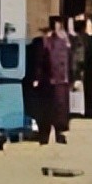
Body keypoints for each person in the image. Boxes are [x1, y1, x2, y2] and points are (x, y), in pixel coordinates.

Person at [33, 16, 73, 144]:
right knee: (48, 108)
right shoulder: (47, 42)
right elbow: (41, 61)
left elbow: (70, 61)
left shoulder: (65, 42)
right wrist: (38, 77)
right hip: (50, 79)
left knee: (60, 109)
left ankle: (59, 133)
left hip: (61, 80)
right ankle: (45, 134)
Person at [0, 23, 27, 139]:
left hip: (7, 84)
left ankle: (9, 134)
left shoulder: (17, 46)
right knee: (8, 115)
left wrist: (3, 73)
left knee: (9, 116)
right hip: (11, 85)